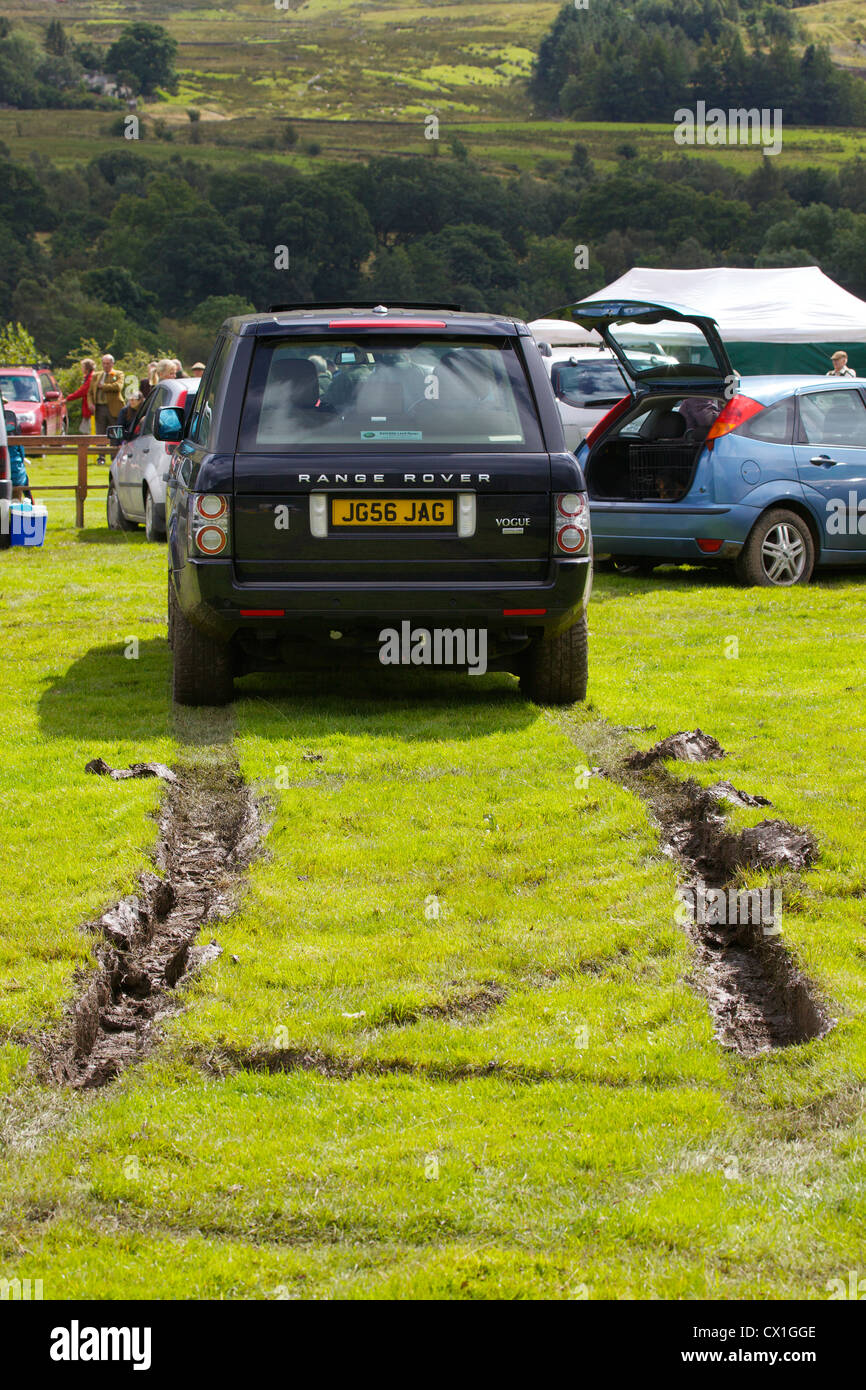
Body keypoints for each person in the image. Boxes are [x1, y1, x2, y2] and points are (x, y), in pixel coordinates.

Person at [88, 355, 125, 463]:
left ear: (112, 364)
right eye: (104, 363)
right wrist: (90, 404)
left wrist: (103, 386)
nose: (105, 365)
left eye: (108, 363)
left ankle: (114, 456)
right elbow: (89, 392)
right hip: (99, 408)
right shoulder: (96, 375)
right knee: (100, 434)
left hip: (114, 408)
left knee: (114, 432)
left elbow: (118, 387)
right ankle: (101, 457)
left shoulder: (118, 374)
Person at [64, 358, 96, 433]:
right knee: (86, 429)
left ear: (87, 368)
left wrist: (68, 398)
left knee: (86, 430)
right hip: (88, 408)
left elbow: (82, 391)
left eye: (83, 367)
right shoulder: (88, 377)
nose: (82, 369)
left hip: (90, 408)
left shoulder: (90, 378)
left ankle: (84, 444)